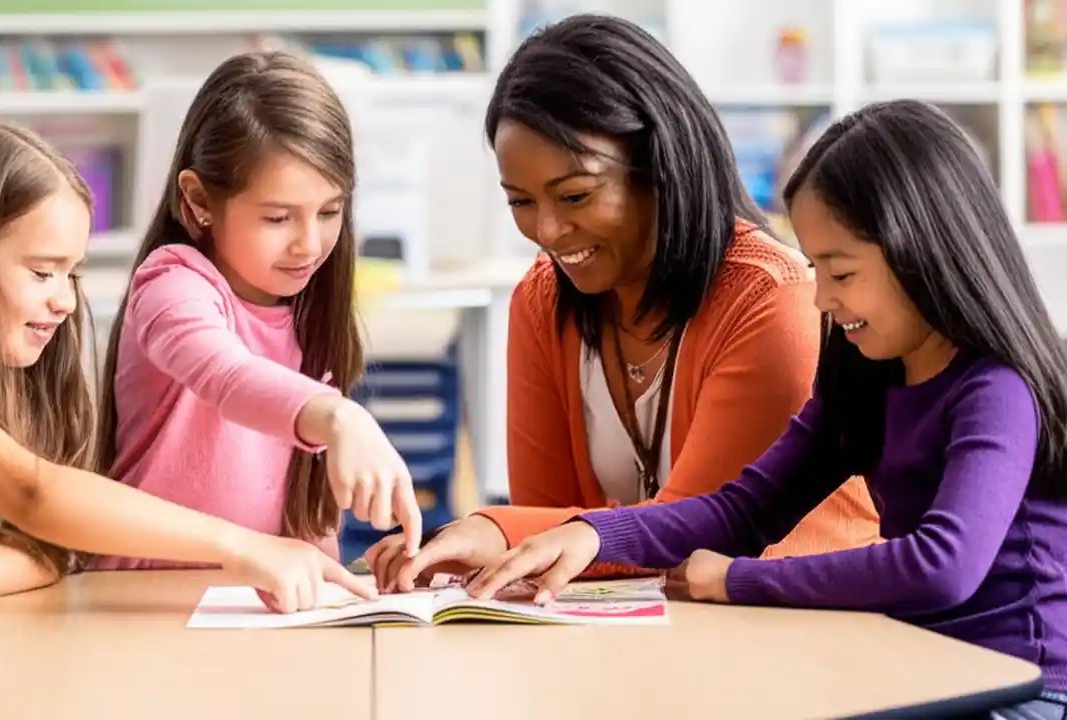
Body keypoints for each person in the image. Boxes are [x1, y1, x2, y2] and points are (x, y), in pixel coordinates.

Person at [463, 100, 1067, 719]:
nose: (822, 299)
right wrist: (591, 534)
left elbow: (942, 567)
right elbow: (745, 508)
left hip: (1024, 690)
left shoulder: (996, 388)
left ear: (923, 253)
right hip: (926, 672)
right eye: (816, 268)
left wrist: (735, 581)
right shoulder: (865, 377)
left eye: (840, 272)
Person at [0, 118, 372, 636]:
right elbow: (34, 495)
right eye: (43, 272)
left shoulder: (10, 375)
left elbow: (46, 547)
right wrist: (243, 547)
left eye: (72, 274)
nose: (66, 301)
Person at [367, 13, 879, 591]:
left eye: (576, 195)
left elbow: (701, 530)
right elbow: (546, 536)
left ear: (659, 168)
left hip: (809, 636)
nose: (550, 230)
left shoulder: (775, 305)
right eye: (521, 202)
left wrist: (497, 529)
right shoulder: (541, 301)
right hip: (667, 628)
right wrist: (500, 542)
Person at [85, 51, 421, 574]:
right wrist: (338, 416)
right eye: (278, 217)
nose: (309, 243)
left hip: (260, 612)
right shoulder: (171, 284)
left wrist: (352, 575)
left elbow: (301, 530)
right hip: (145, 608)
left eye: (330, 211)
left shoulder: (312, 311)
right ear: (199, 200)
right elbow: (227, 374)